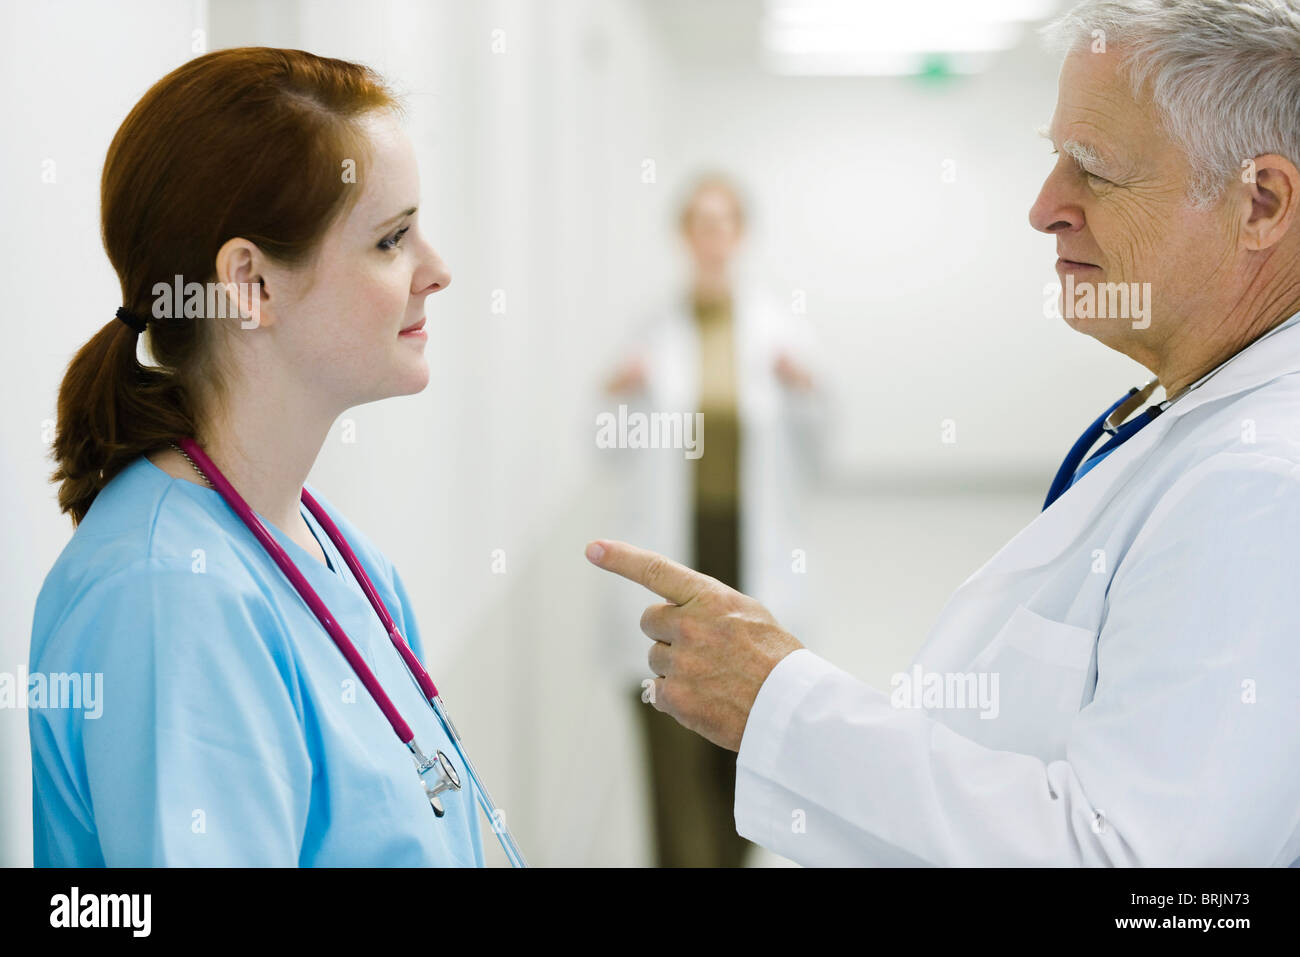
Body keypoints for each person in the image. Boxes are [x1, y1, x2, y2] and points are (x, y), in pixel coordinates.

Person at [586, 0, 1300, 866]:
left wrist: (782, 702)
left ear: (1259, 202)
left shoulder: (1263, 485)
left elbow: (1144, 881)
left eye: (1094, 168)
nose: (1043, 208)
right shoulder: (1197, 418)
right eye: (1053, 158)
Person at [30, 47, 484, 866]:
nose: (438, 272)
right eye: (391, 240)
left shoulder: (347, 559)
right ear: (250, 284)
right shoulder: (169, 598)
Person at [600, 174, 826, 866]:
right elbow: (606, 449)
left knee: (744, 734)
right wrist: (615, 397)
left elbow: (818, 453)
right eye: (699, 222)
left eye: (724, 222)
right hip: (674, 559)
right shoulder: (650, 330)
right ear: (684, 236)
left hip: (748, 554)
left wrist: (806, 391)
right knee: (670, 735)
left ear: (740, 234)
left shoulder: (779, 328)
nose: (712, 237)